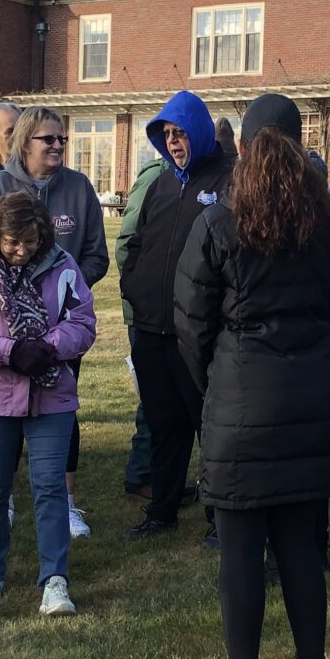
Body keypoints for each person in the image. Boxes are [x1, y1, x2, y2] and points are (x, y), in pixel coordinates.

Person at [176, 98, 330, 659]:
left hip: (240, 397)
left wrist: (216, 385)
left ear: (245, 147)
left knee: (241, 551)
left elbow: (191, 323)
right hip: (309, 388)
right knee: (300, 547)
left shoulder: (220, 223)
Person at [0, 191, 97, 615]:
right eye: (12, 242)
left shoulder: (63, 265)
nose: (21, 250)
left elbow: (83, 322)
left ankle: (55, 581)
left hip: (51, 394)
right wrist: (10, 351)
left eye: (29, 241)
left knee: (49, 489)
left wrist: (47, 347)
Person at [0, 104, 110, 538]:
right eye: (48, 139)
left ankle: (67, 503)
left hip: (60, 330)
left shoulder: (78, 187)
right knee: (6, 411)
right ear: (25, 142)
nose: (57, 146)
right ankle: (11, 499)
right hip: (7, 327)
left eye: (62, 140)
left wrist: (64, 290)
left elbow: (96, 254)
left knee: (60, 410)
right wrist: (15, 303)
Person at [119, 91, 231, 542]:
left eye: (180, 132)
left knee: (209, 427)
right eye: (167, 135)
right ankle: (161, 510)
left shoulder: (228, 181)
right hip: (151, 330)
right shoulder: (162, 183)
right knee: (164, 426)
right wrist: (135, 291)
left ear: (199, 131)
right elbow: (138, 244)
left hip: (199, 333)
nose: (174, 142)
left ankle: (220, 520)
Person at [116, 147, 165, 499]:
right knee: (151, 395)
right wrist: (139, 299)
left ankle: (160, 473)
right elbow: (127, 245)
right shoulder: (154, 176)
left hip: (174, 311)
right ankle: (141, 474)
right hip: (148, 313)